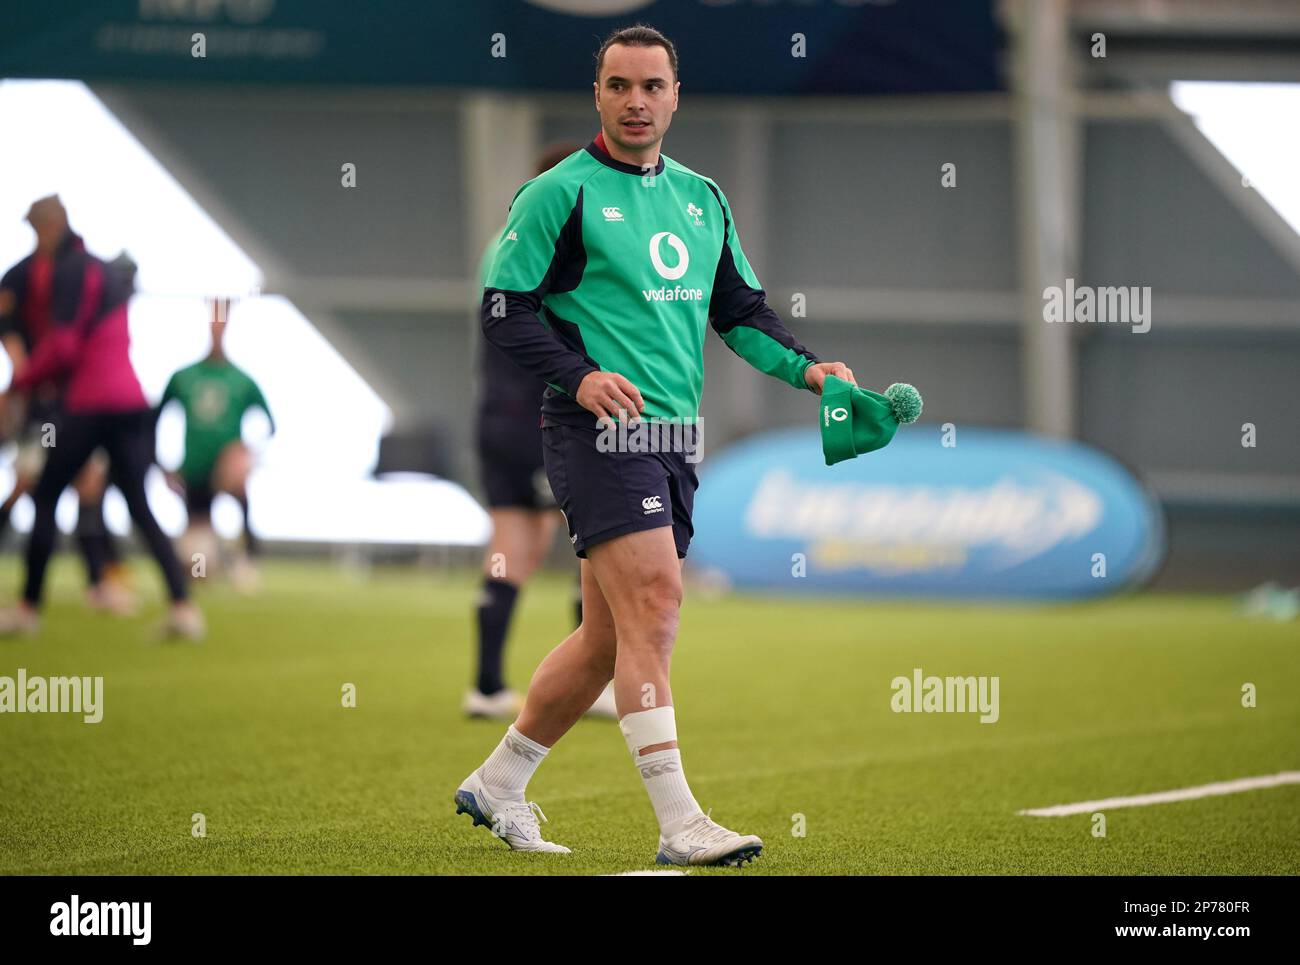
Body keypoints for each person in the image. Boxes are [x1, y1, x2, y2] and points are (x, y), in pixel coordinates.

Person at [456, 25, 859, 866]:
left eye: (651, 86)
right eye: (618, 86)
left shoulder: (702, 197)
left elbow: (740, 312)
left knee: (605, 643)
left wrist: (810, 371)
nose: (636, 101)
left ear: (677, 95)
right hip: (600, 433)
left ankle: (497, 783)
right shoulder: (557, 194)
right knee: (660, 608)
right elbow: (504, 309)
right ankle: (681, 822)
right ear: (597, 95)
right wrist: (577, 376)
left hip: (675, 438)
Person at [0, 195, 202, 638]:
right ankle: (184, 609)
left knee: (48, 495)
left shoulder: (70, 269)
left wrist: (21, 382)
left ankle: (27, 608)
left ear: (49, 227)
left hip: (89, 404)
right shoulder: (102, 270)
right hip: (130, 400)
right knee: (139, 505)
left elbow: (66, 345)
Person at [469, 142, 617, 721]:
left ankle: (485, 684)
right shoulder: (550, 244)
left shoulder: (497, 247)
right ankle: (592, 684)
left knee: (514, 546)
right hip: (536, 414)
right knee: (592, 537)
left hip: (494, 413)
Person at [0, 201, 134, 615]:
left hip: (74, 401)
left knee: (86, 484)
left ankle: (97, 582)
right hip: (40, 402)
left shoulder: (75, 271)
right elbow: (8, 329)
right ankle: (32, 598)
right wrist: (23, 376)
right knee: (29, 482)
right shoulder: (21, 276)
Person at [157, 297, 272, 591]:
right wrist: (163, 467)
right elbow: (151, 423)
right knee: (197, 562)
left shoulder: (242, 380)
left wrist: (244, 454)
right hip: (194, 471)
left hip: (227, 471)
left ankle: (244, 564)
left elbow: (269, 425)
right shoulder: (184, 377)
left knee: (242, 504)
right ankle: (202, 567)